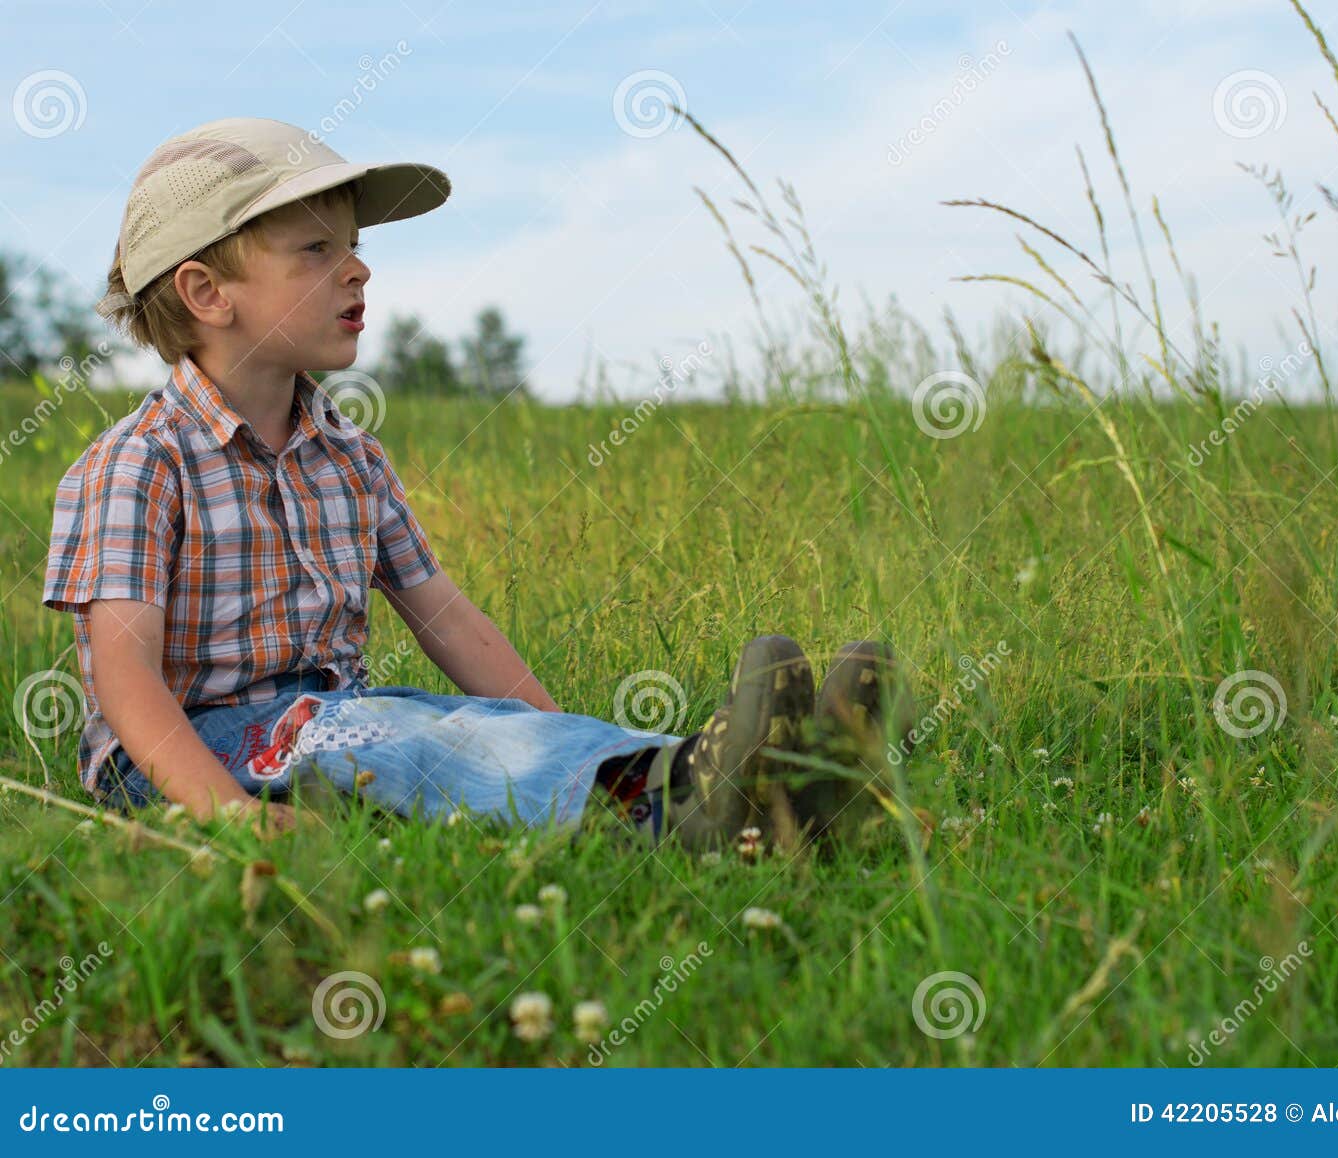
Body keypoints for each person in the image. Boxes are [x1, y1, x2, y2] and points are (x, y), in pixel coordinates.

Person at [42, 117, 912, 847]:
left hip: (331, 721)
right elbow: (126, 682)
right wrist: (228, 816)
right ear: (206, 291)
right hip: (177, 755)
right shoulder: (138, 465)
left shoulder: (352, 459)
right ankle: (670, 800)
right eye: (315, 250)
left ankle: (773, 785)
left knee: (459, 726)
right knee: (396, 735)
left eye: (353, 246)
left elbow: (449, 620)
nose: (358, 269)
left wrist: (552, 727)